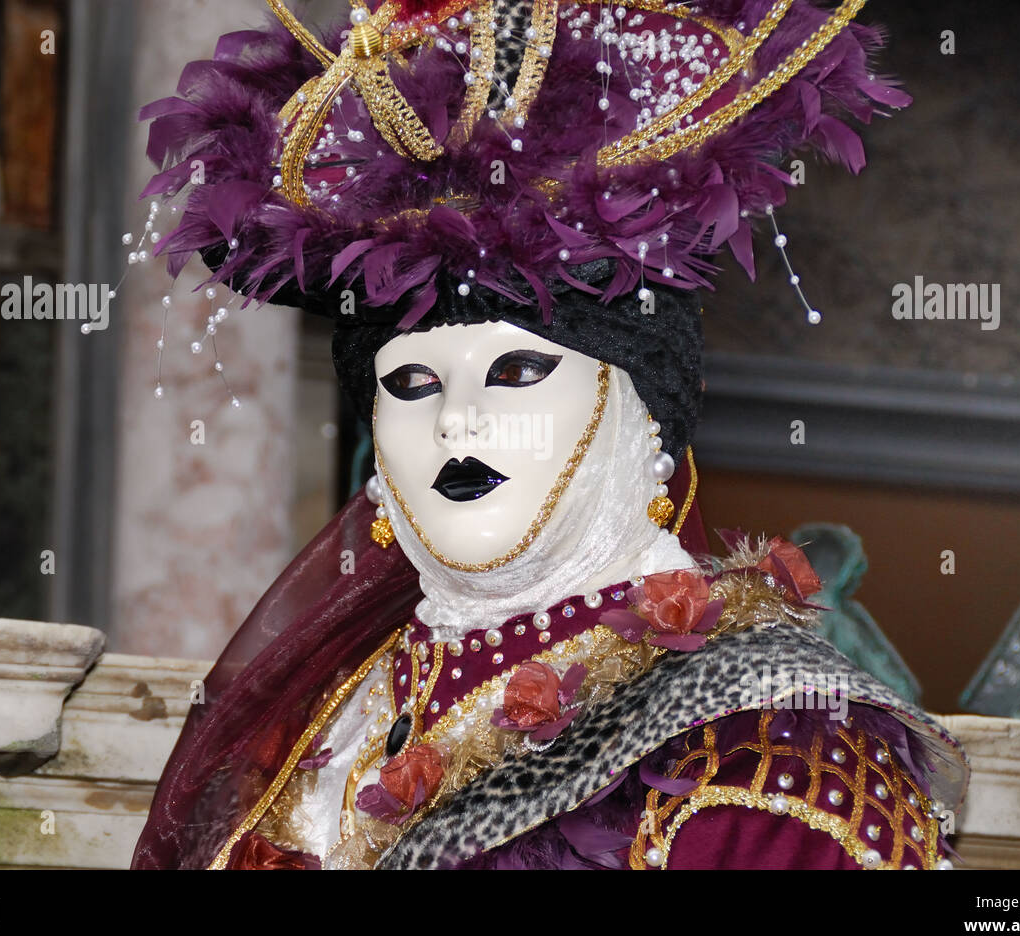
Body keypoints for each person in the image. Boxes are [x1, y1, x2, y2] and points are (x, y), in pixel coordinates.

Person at [131, 0, 968, 870]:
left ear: (637, 416)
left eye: (518, 374)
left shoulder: (770, 758)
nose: (457, 420)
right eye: (412, 386)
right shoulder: (327, 714)